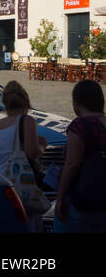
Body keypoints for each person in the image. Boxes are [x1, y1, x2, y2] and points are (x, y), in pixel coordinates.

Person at [0, 81, 44, 232]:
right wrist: (42, 146)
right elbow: (32, 152)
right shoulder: (27, 121)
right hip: (23, 186)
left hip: (3, 185)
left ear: (5, 104)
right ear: (26, 102)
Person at [55, 79, 106, 233]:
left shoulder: (80, 125)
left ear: (76, 103)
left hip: (84, 199)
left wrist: (60, 197)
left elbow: (72, 164)